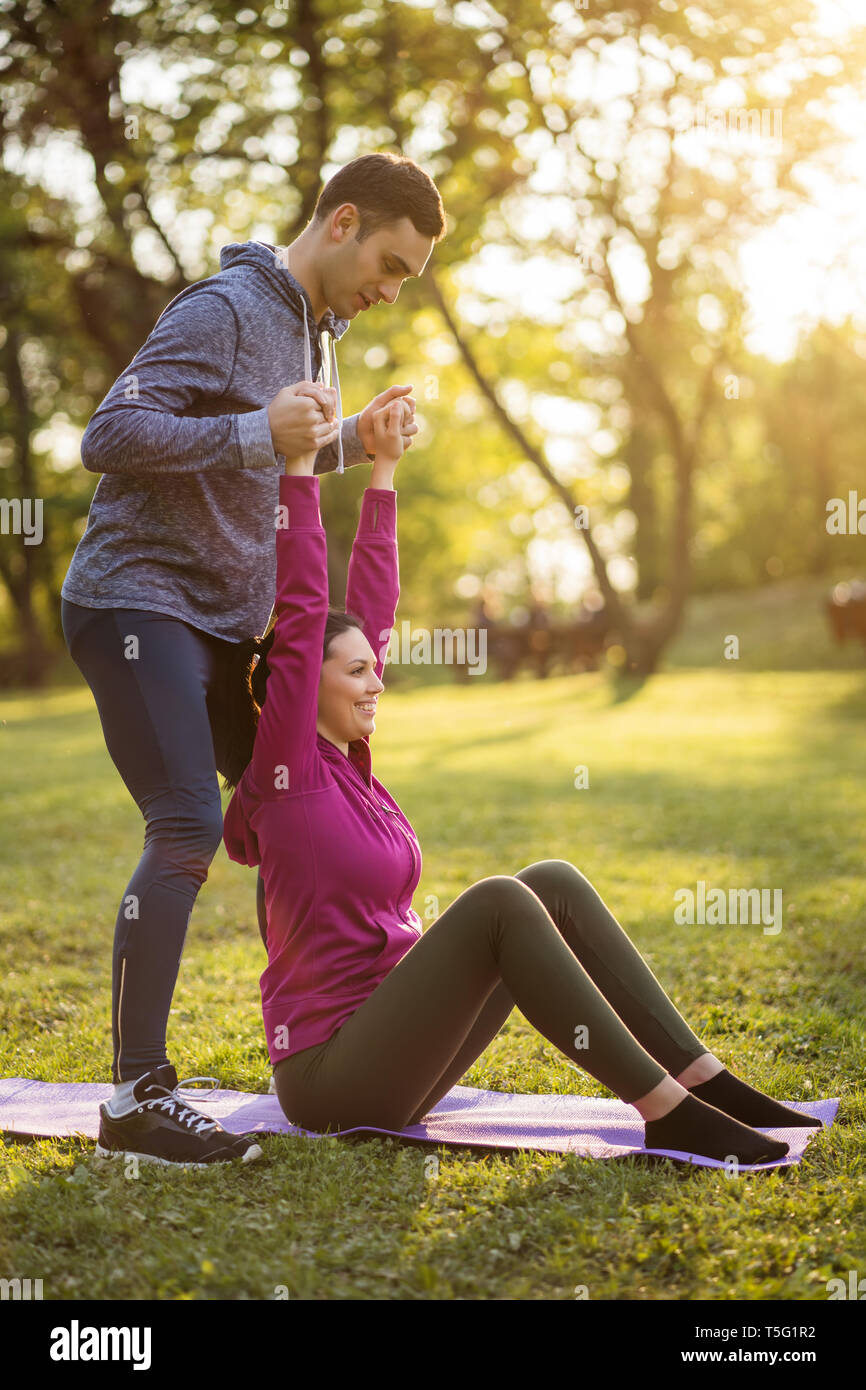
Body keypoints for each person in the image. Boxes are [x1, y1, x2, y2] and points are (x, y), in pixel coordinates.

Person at [220, 399, 823, 1168]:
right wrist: (299, 468)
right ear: (302, 686)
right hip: (331, 1079)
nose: (377, 681)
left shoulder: (353, 770)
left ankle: (705, 1081)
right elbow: (304, 613)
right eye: (358, 671)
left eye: (376, 668)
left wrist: (385, 469)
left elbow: (369, 610)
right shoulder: (287, 774)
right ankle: (667, 1114)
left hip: (398, 1043)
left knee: (550, 882)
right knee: (500, 900)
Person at [59, 151, 446, 1167]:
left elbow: (290, 451)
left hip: (231, 626)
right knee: (186, 820)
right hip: (138, 598)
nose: (391, 288)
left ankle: (344, 1028)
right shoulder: (226, 307)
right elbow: (108, 433)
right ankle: (137, 1095)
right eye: (391, 264)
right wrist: (248, 433)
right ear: (342, 220)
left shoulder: (322, 337)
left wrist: (360, 434)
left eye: (407, 277)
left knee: (300, 796)